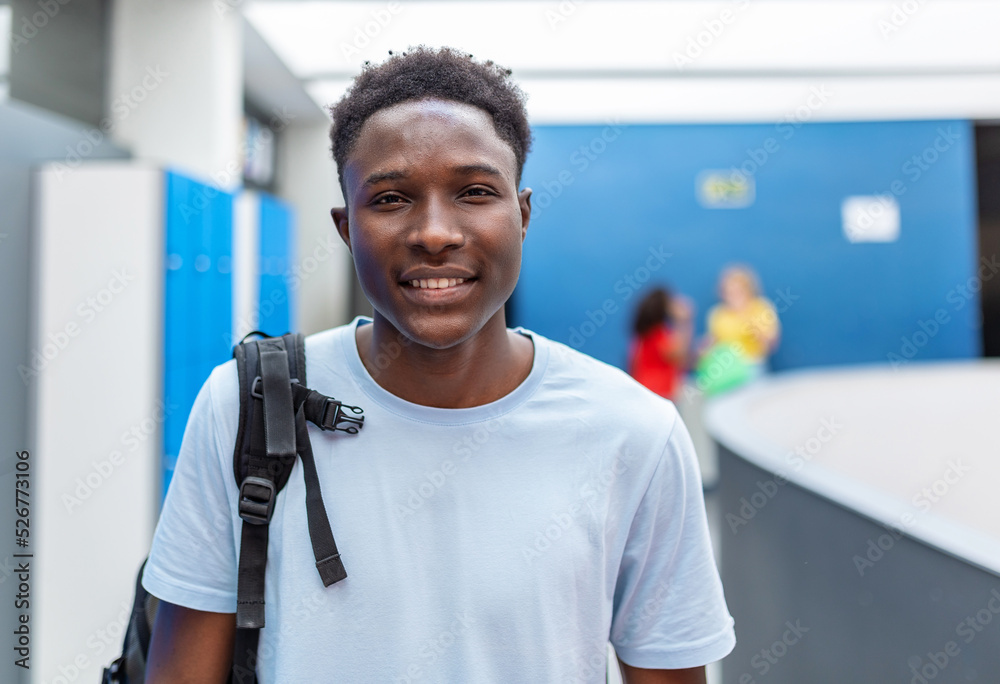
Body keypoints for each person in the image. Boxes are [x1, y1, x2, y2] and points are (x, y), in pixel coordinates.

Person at [142, 47, 735, 683]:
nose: (434, 232)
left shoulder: (634, 432)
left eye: (475, 192)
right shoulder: (246, 403)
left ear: (523, 215)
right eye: (391, 198)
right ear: (346, 228)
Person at [702, 265, 780, 381]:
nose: (733, 296)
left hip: (753, 365)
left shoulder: (761, 307)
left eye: (739, 291)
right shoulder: (717, 313)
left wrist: (746, 318)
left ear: (749, 289)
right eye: (729, 292)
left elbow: (772, 344)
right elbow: (714, 341)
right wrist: (705, 348)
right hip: (727, 369)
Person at [627, 288, 693, 402]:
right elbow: (680, 357)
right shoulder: (658, 334)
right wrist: (684, 321)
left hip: (645, 392)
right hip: (659, 394)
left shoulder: (643, 336)